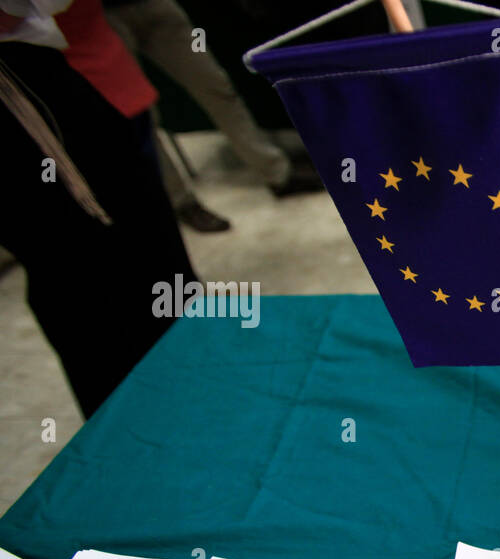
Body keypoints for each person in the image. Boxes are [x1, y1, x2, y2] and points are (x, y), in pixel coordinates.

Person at [0, 0, 196, 416]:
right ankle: (135, 426)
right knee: (81, 277)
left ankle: (195, 383)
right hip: (24, 107)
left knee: (152, 250)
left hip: (59, 79)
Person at [103, 0, 321, 232]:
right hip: (100, 18)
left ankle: (277, 172)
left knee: (215, 86)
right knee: (141, 113)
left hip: (155, 6)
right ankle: (182, 202)